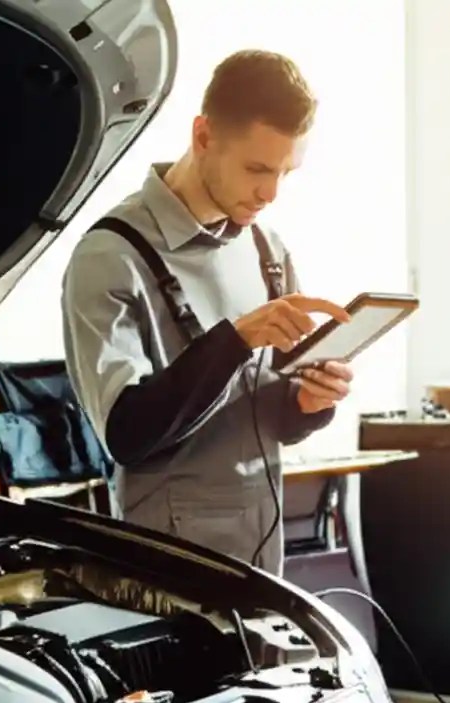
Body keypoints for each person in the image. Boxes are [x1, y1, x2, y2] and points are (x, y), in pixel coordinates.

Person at [60, 49, 355, 576]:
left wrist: (310, 402)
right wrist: (235, 341)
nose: (271, 192)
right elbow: (127, 434)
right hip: (170, 571)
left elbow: (272, 421)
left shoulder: (267, 249)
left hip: (264, 557)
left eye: (286, 172)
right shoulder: (110, 257)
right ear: (202, 136)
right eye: (257, 168)